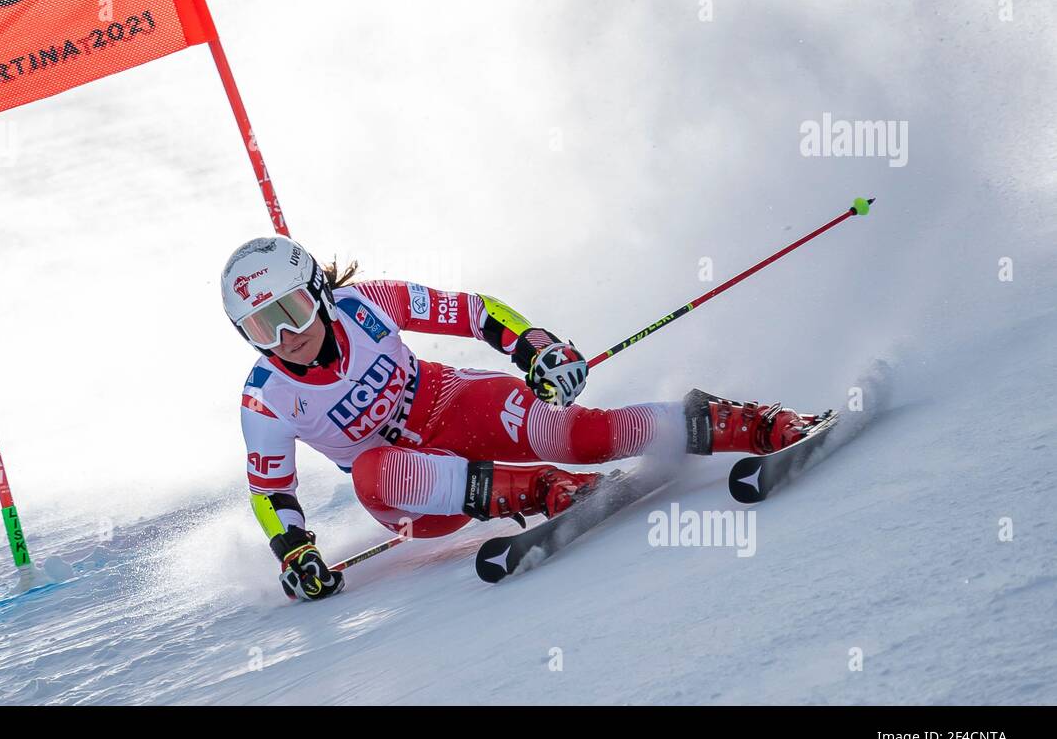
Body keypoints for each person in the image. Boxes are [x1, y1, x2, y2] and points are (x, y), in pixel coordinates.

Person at [222, 236, 817, 601]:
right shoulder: (265, 398)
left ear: (319, 294)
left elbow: (474, 312)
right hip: (418, 502)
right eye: (260, 327)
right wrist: (294, 552)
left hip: (451, 402)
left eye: (292, 311)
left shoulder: (365, 304)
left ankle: (747, 425)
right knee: (372, 472)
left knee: (570, 433)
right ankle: (546, 492)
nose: (285, 336)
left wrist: (535, 346)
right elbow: (270, 490)